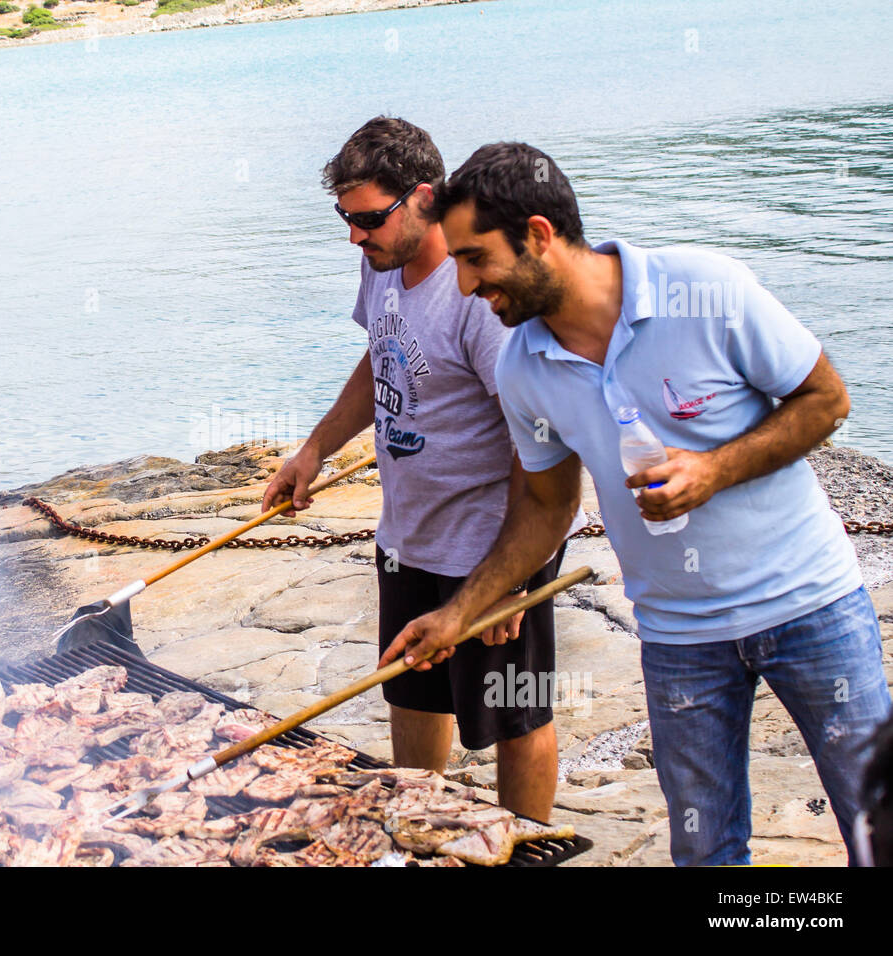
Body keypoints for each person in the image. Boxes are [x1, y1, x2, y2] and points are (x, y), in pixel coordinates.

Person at [382, 140, 893, 864]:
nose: (464, 285)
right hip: (678, 639)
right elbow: (543, 507)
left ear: (537, 235)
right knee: (706, 850)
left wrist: (712, 469)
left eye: (474, 258)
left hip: (810, 604)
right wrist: (460, 612)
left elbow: (825, 400)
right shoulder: (524, 365)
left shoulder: (704, 286)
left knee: (878, 827)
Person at [263, 118, 576, 823]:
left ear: (423, 198)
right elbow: (381, 355)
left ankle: (522, 848)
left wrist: (516, 575)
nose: (355, 235)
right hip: (408, 537)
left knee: (513, 717)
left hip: (489, 545)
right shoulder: (380, 263)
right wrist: (316, 449)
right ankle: (420, 828)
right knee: (412, 689)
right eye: (345, 218)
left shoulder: (481, 300)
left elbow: (541, 440)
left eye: (369, 218)